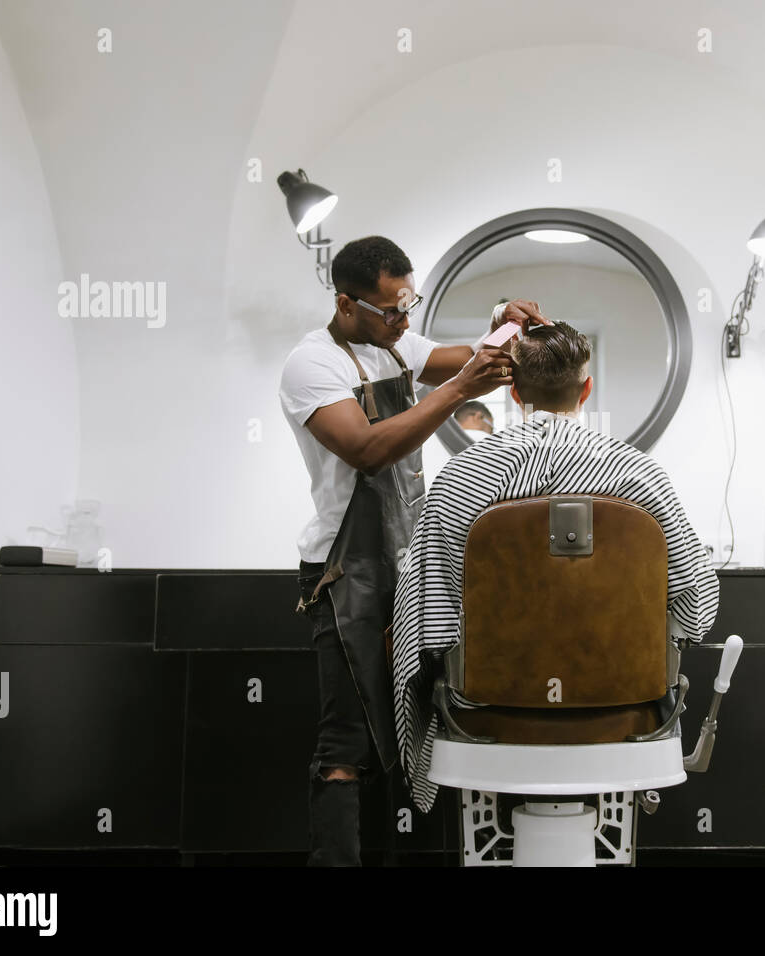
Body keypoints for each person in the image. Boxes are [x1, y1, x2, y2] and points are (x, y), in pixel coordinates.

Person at [278, 235, 547, 865]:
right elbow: (368, 450)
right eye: (393, 310)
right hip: (345, 573)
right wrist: (457, 390)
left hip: (403, 564)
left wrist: (502, 327)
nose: (405, 321)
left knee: (410, 736)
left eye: (410, 305)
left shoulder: (390, 341)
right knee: (347, 742)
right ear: (347, 304)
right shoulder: (315, 364)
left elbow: (463, 356)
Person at [390, 321, 720, 813]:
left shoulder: (464, 478)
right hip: (623, 709)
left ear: (515, 391)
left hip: (489, 711)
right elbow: (697, 601)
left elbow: (427, 620)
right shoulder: (639, 473)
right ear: (587, 388)